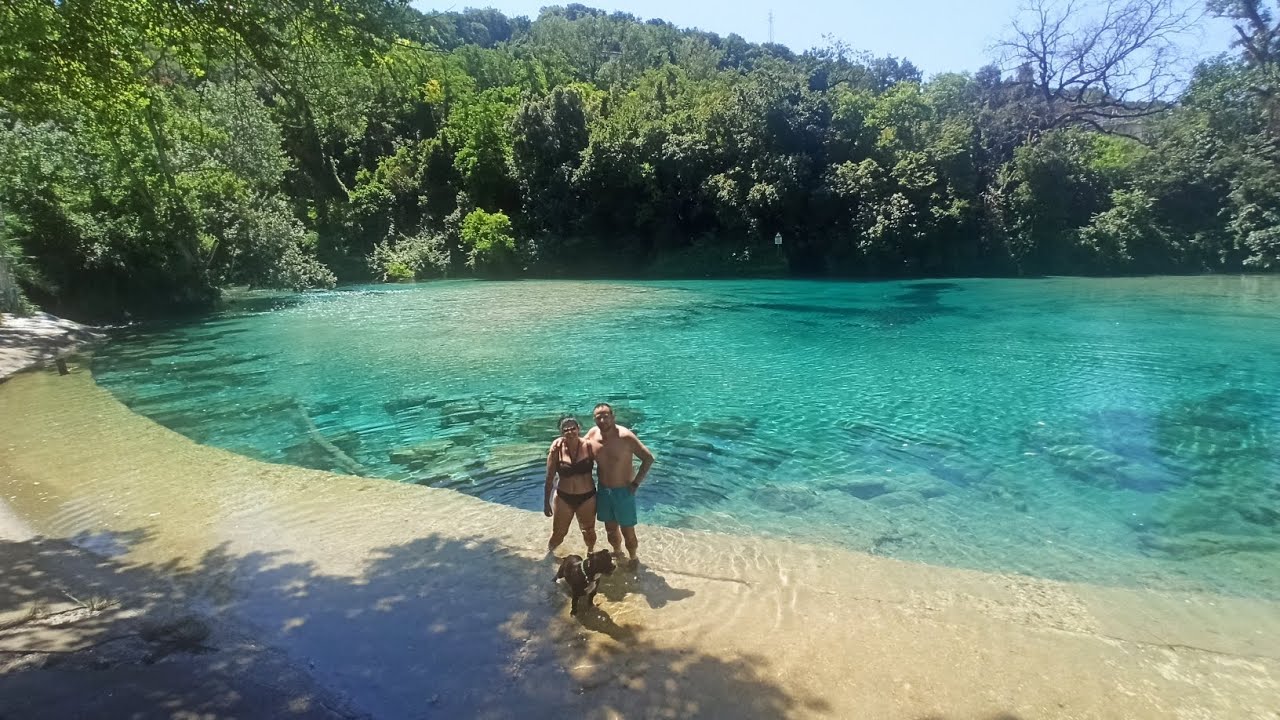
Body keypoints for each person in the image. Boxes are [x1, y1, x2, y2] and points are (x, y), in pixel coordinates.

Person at [583, 403, 654, 565]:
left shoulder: (625, 437)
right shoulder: (592, 434)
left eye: (606, 416)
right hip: (603, 491)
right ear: (594, 419)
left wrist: (636, 483)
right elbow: (576, 445)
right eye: (598, 417)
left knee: (628, 531)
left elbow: (648, 458)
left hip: (624, 491)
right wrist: (558, 445)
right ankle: (617, 552)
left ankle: (633, 558)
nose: (602, 420)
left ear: (613, 417)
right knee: (610, 530)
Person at [544, 416, 597, 554]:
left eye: (573, 428)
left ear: (579, 429)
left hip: (587, 497)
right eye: (565, 429)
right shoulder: (556, 449)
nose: (570, 432)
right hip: (563, 497)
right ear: (561, 432)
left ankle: (590, 554)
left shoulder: (589, 446)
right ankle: (548, 556)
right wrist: (546, 502)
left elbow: (606, 465)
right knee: (559, 533)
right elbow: (549, 478)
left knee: (589, 531)